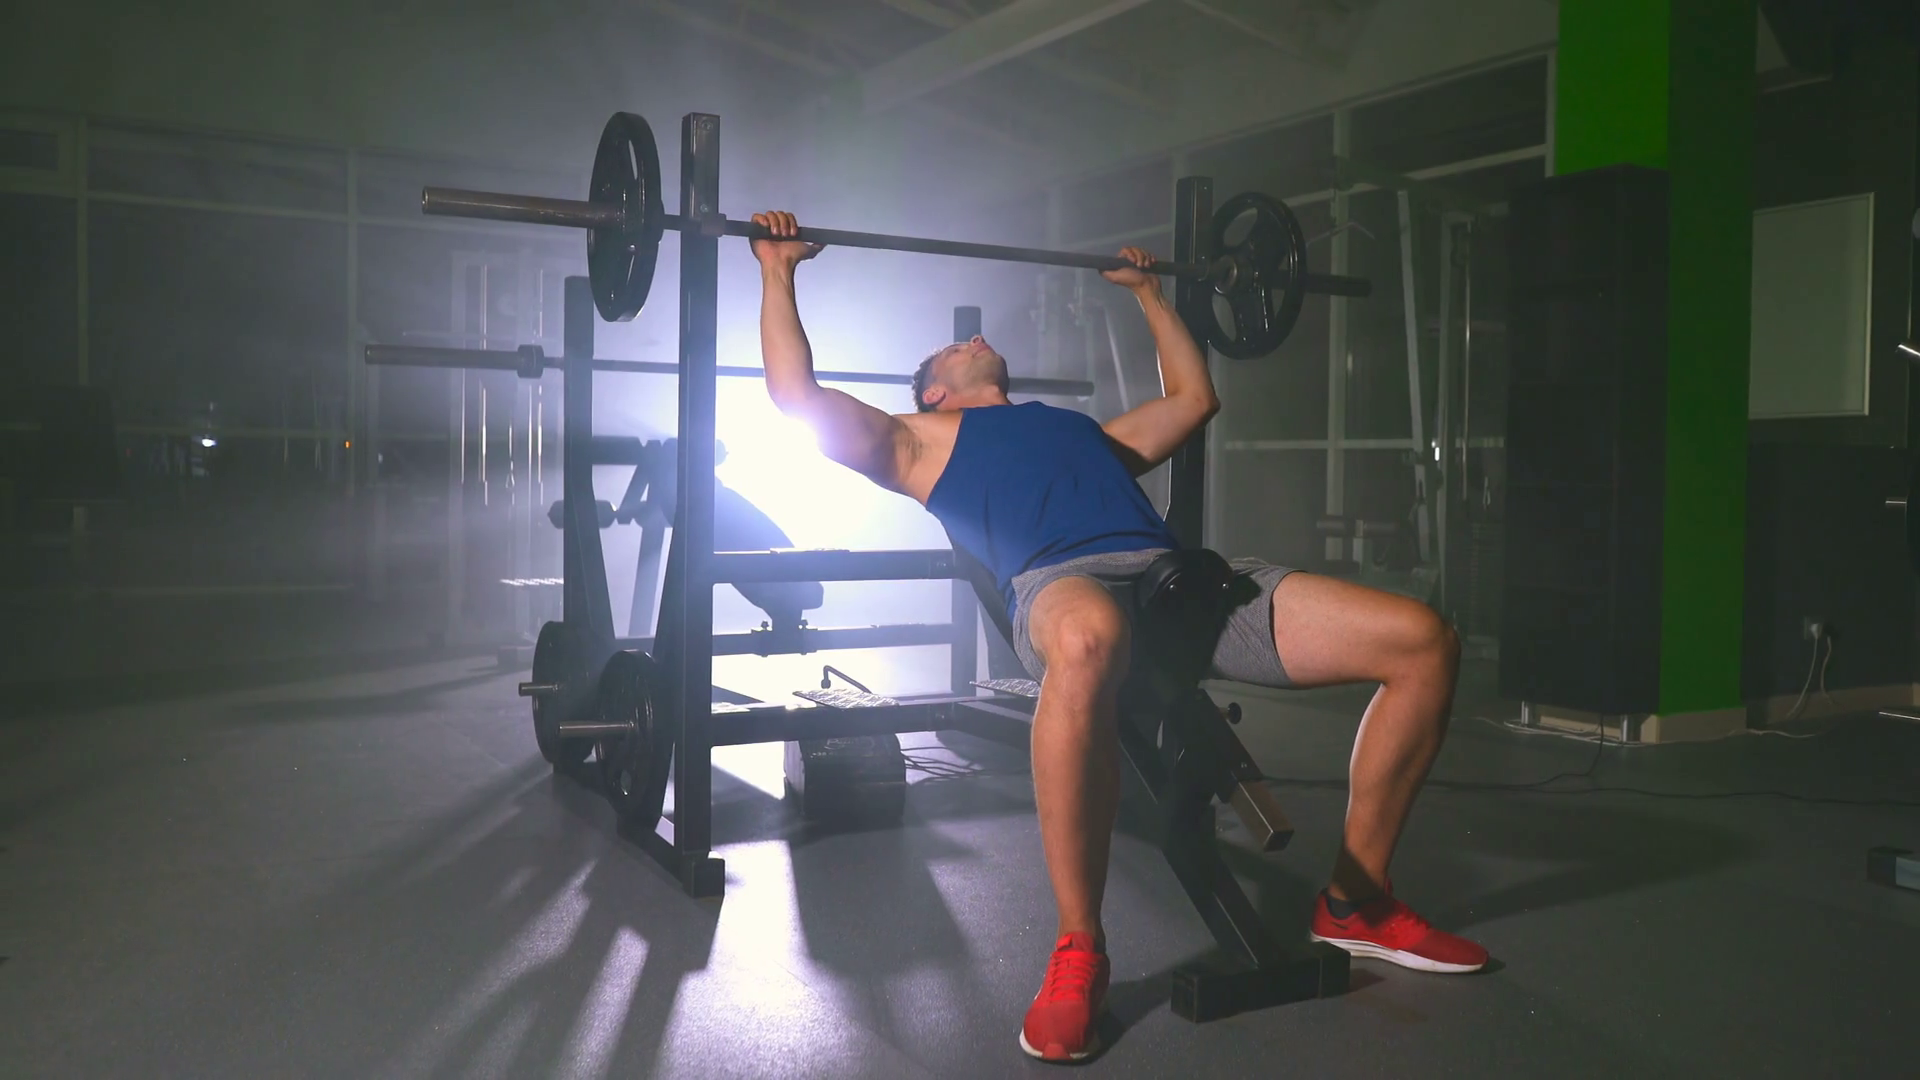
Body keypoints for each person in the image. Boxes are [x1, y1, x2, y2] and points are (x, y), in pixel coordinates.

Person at [750, 211, 1487, 1063]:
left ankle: (1357, 898)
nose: (978, 336)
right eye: (955, 349)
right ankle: (1078, 949)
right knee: (1090, 639)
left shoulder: (1079, 432)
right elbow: (795, 399)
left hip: (1183, 584)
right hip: (1064, 590)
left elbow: (1195, 400)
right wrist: (779, 270)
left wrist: (1149, 295)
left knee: (1423, 639)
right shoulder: (916, 442)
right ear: (934, 392)